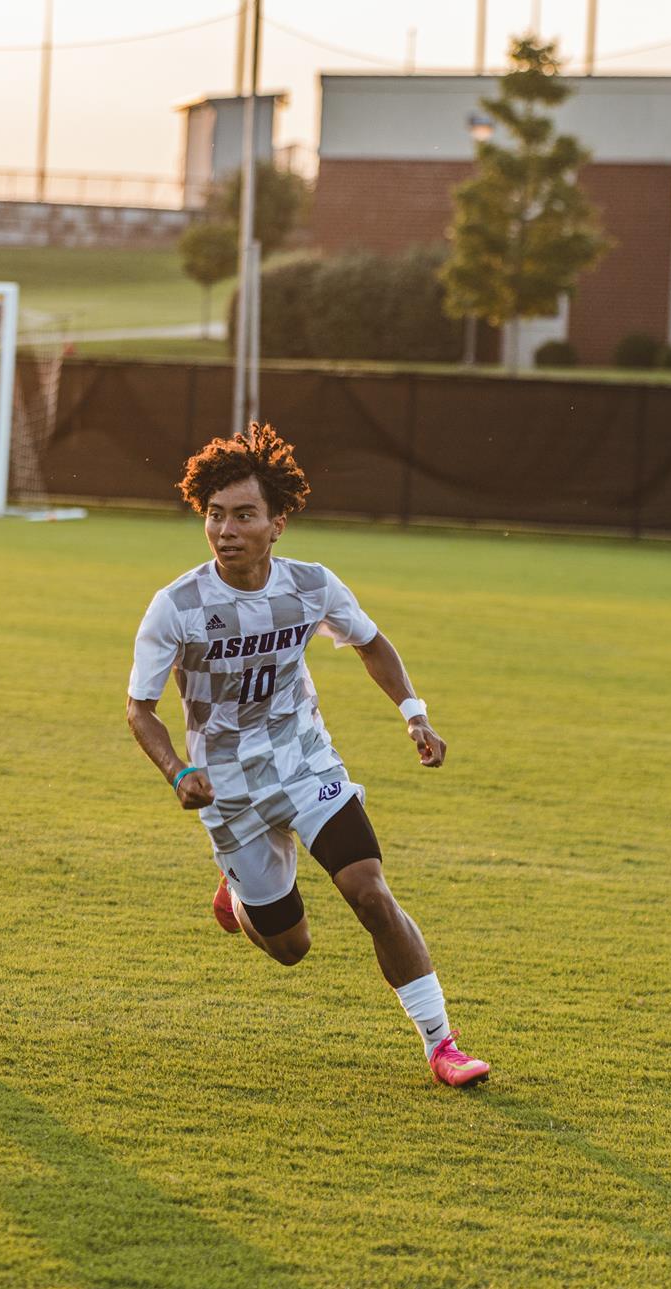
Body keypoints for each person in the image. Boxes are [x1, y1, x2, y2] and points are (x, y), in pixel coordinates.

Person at [125, 424, 490, 1087]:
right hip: (229, 787)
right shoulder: (176, 606)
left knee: (370, 894)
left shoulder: (311, 586)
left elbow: (372, 643)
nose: (226, 529)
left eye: (244, 515)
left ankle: (443, 1045)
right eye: (215, 515)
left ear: (278, 522)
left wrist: (415, 716)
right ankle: (238, 900)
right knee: (291, 949)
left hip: (304, 763)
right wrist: (179, 769)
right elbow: (139, 708)